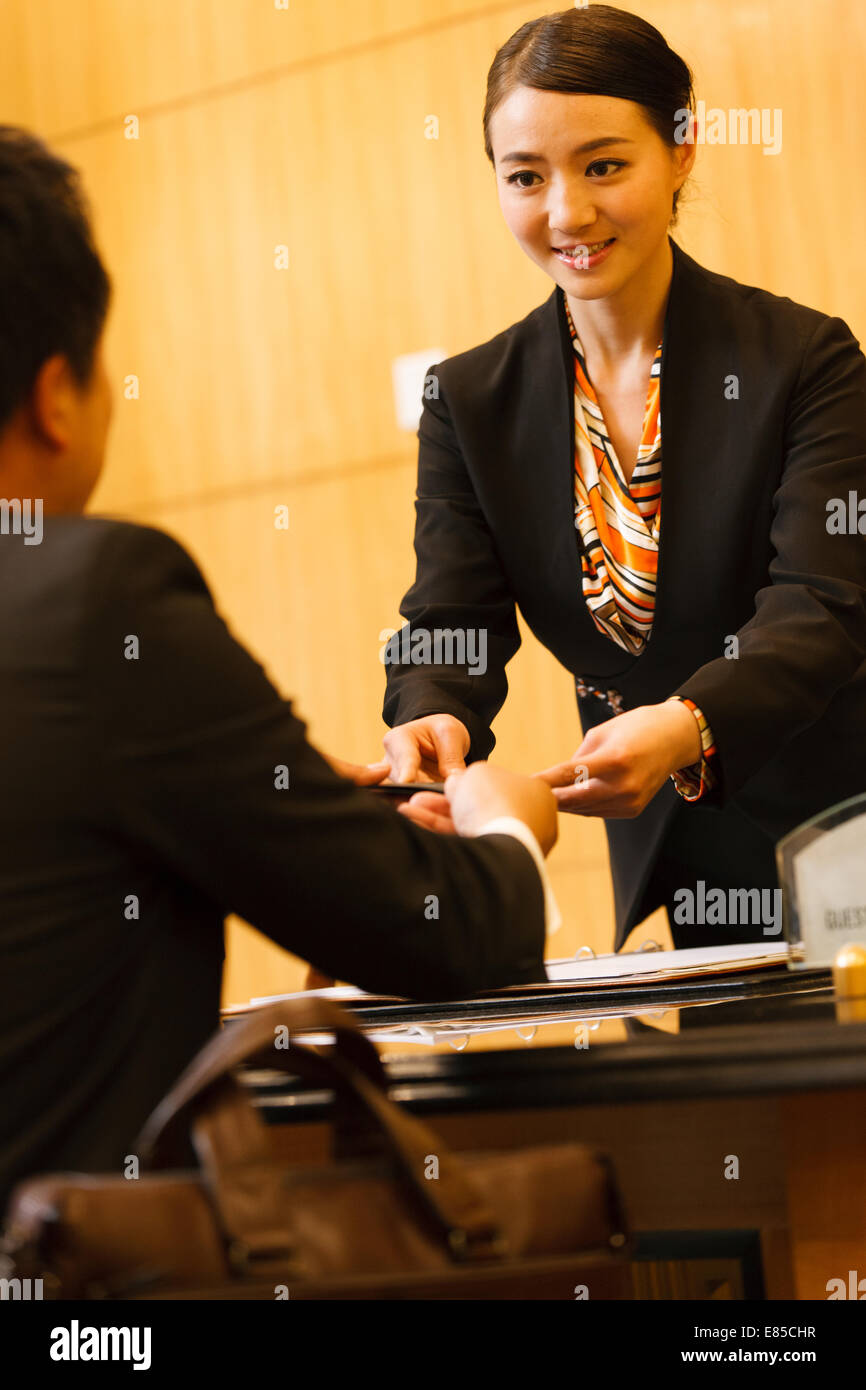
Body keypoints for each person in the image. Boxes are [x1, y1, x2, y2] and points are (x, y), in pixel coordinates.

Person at [0, 125, 559, 1214]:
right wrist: (507, 830)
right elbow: (442, 932)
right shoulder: (92, 597)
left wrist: (303, 828)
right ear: (57, 392)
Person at [382, 5, 866, 951]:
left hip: (838, 816)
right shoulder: (469, 400)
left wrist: (689, 724)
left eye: (604, 165)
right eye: (526, 177)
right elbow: (450, 620)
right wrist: (431, 712)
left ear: (681, 149)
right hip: (675, 837)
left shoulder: (805, 359)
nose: (566, 213)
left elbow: (825, 603)